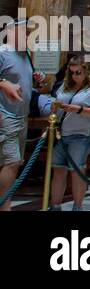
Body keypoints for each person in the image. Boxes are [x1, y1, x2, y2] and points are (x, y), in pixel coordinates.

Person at [49, 59, 90, 211]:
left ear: (86, 71)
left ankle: (77, 207)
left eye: (78, 72)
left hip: (79, 136)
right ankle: (55, 206)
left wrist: (78, 109)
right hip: (60, 134)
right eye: (71, 72)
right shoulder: (65, 86)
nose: (74, 76)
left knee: (77, 171)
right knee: (58, 170)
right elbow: (57, 101)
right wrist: (54, 108)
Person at [0, 18, 42, 212]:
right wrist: (3, 83)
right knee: (12, 162)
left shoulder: (24, 54)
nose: (28, 36)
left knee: (13, 163)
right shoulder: (2, 53)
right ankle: (4, 207)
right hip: (5, 115)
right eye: (25, 32)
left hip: (21, 115)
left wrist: (35, 79)